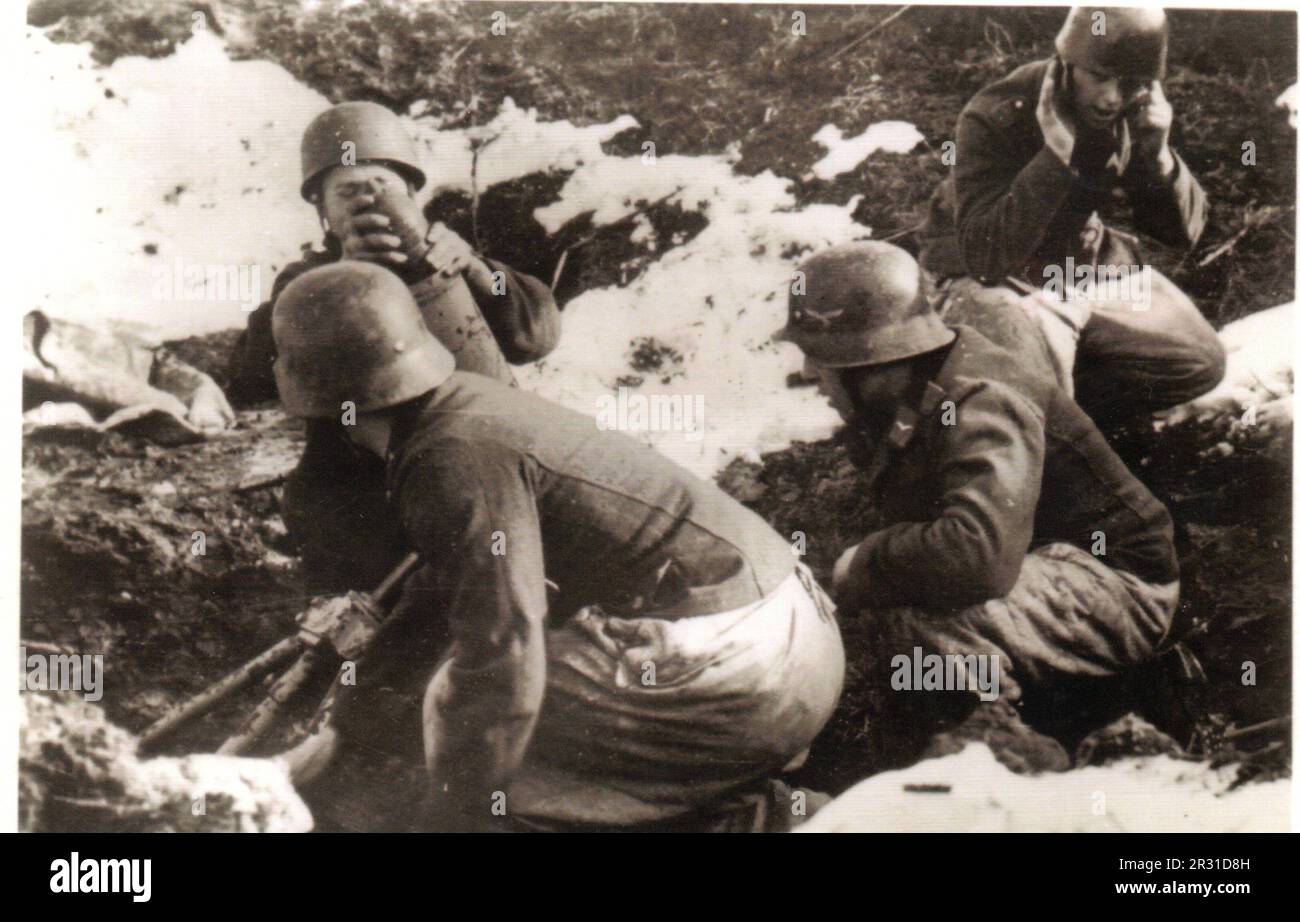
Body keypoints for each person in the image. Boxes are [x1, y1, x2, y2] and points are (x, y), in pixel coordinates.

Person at [275, 261, 846, 832]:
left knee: (468, 737)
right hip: (783, 640)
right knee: (458, 726)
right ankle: (746, 814)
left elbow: (503, 651)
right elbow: (442, 589)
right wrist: (349, 724)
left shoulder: (449, 457)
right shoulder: (463, 408)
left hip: (740, 670)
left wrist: (456, 816)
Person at [775, 242, 1180, 745]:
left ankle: (996, 758)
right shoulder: (921, 388)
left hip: (1121, 585)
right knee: (900, 606)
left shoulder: (979, 400)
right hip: (1048, 564)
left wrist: (867, 563)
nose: (810, 374)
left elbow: (978, 559)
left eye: (822, 358)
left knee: (923, 622)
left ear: (875, 358)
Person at [226, 101, 560, 592]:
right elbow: (248, 375)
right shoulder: (304, 281)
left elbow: (535, 336)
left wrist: (474, 270)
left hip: (479, 456)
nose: (368, 201)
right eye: (348, 192)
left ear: (410, 192)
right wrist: (336, 279)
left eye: (381, 185)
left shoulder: (451, 260)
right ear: (322, 210)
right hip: (368, 481)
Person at [917, 7, 1224, 422]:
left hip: (1073, 266)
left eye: (1131, 83)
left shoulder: (1132, 110)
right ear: (1067, 64)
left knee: (1198, 360)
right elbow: (984, 255)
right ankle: (1029, 421)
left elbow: (1179, 233)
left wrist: (1157, 153)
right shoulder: (995, 113)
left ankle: (1059, 408)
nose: (1113, 97)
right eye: (1099, 77)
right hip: (983, 270)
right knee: (1026, 344)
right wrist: (1056, 156)